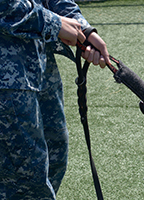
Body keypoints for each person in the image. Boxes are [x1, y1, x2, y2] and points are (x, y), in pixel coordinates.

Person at [1, 0, 110, 198]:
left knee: (54, 157)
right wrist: (53, 23)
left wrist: (82, 28)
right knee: (26, 180)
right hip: (6, 79)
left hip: (39, 63)